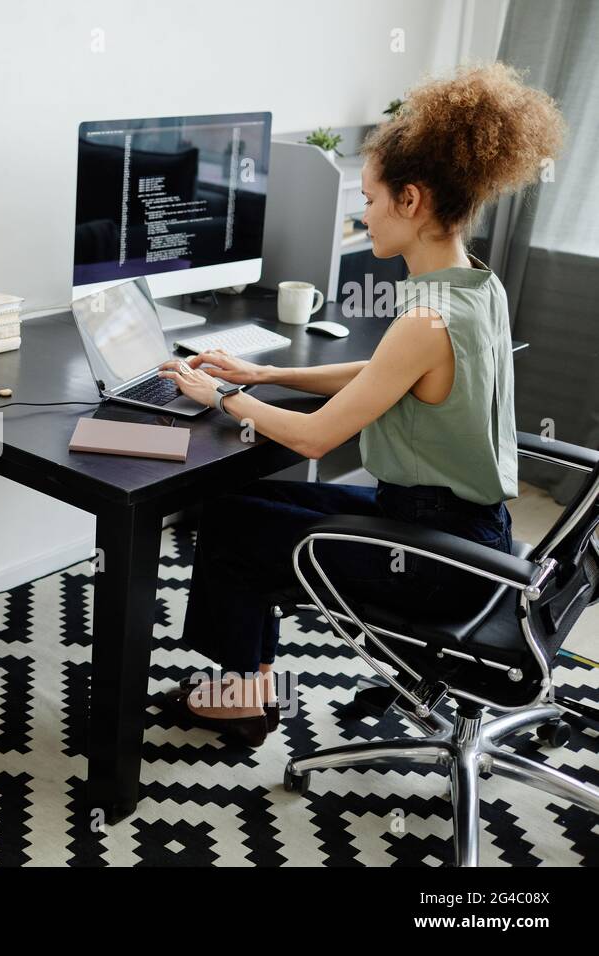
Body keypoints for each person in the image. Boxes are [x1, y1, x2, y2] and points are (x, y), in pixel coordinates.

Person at [158, 63, 566, 746]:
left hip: (437, 562)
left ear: (410, 201)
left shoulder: (422, 321)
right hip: (469, 534)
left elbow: (316, 440)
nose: (361, 214)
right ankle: (249, 689)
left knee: (236, 535)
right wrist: (259, 375)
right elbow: (385, 375)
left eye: (370, 199)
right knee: (233, 511)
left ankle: (242, 700)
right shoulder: (473, 286)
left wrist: (222, 398)